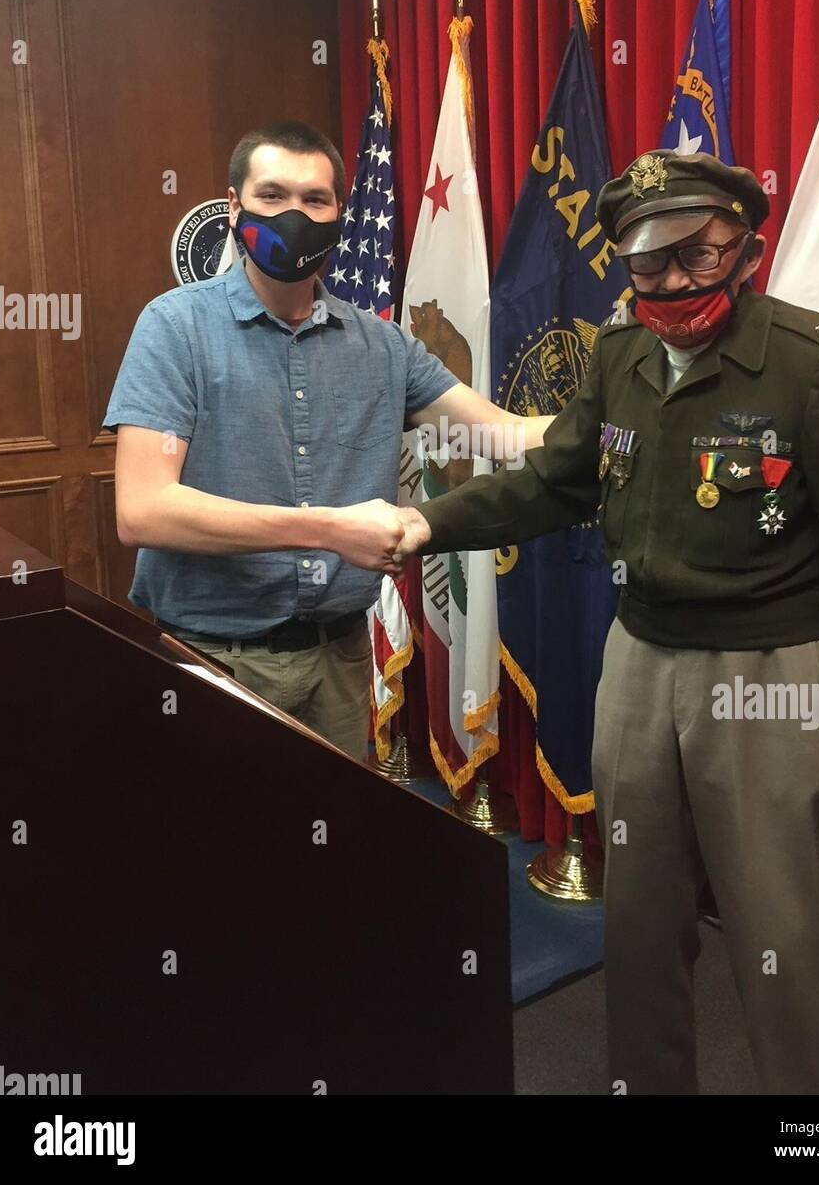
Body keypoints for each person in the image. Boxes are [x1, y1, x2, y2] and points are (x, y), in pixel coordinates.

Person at [394, 148, 819, 1094]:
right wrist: (425, 521)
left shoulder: (815, 364)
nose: (670, 282)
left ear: (747, 248)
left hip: (774, 671)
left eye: (698, 253)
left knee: (780, 937)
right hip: (641, 665)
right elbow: (555, 482)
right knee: (640, 930)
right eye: (646, 260)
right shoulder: (619, 355)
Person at [103, 120, 551, 761]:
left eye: (315, 201)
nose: (295, 216)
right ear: (234, 208)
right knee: (220, 855)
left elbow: (506, 437)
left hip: (338, 663)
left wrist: (632, 406)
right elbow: (143, 511)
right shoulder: (175, 328)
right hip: (210, 661)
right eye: (272, 196)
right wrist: (329, 528)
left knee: (331, 849)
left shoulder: (384, 344)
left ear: (340, 212)